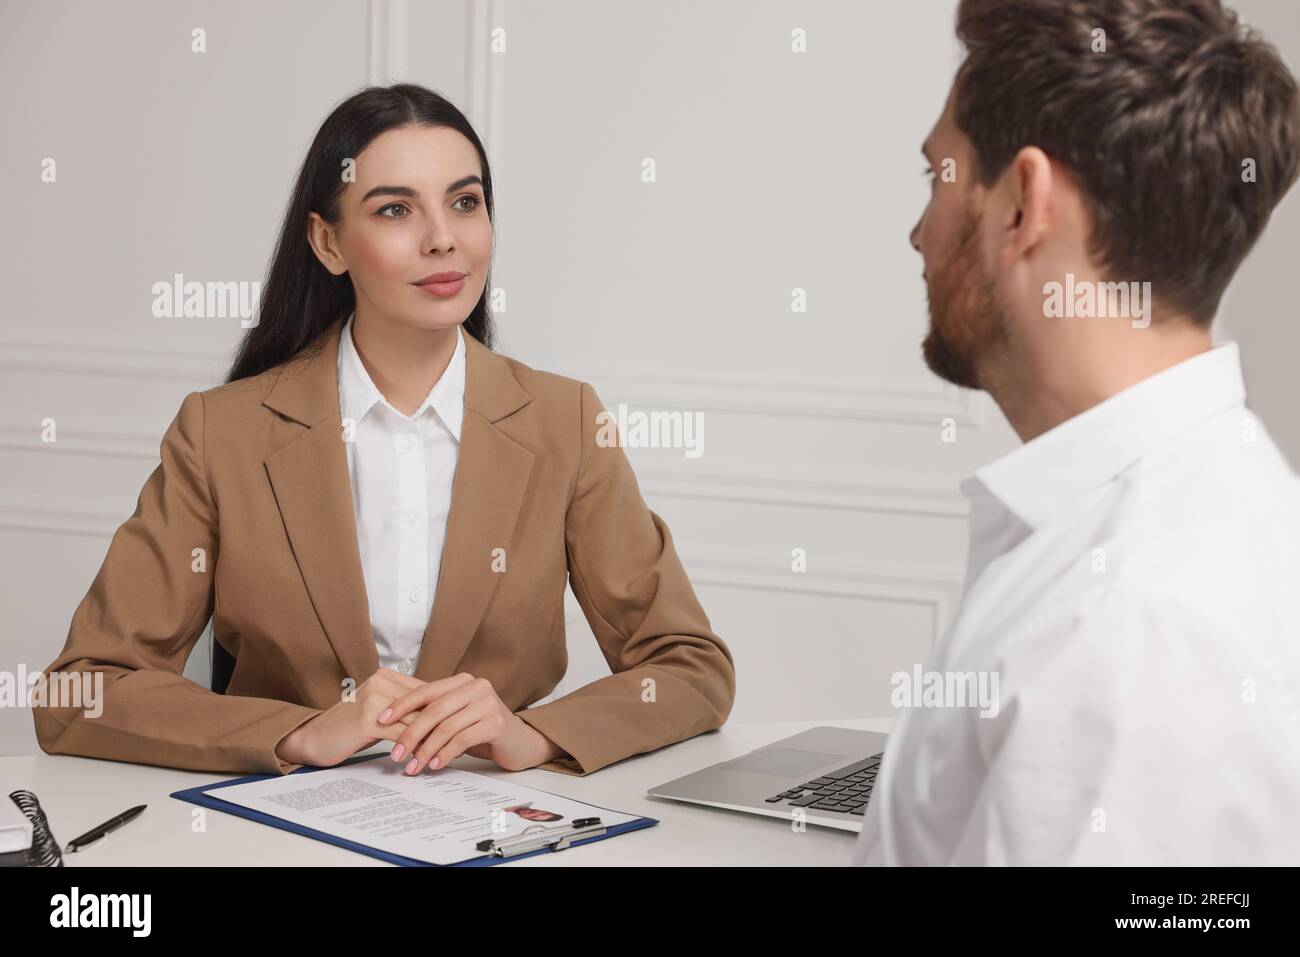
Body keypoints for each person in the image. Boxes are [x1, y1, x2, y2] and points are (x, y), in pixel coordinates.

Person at [33, 84, 735, 779]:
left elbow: (690, 666)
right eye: (396, 209)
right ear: (328, 242)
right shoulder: (220, 434)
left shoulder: (568, 423)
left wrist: (537, 734)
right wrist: (300, 731)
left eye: (465, 202)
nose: (443, 239)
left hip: (493, 828)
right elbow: (79, 691)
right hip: (281, 831)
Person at [854, 0, 1300, 865]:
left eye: (936, 178)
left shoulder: (1129, 631)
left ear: (1024, 201)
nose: (918, 235)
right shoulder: (1200, 519)